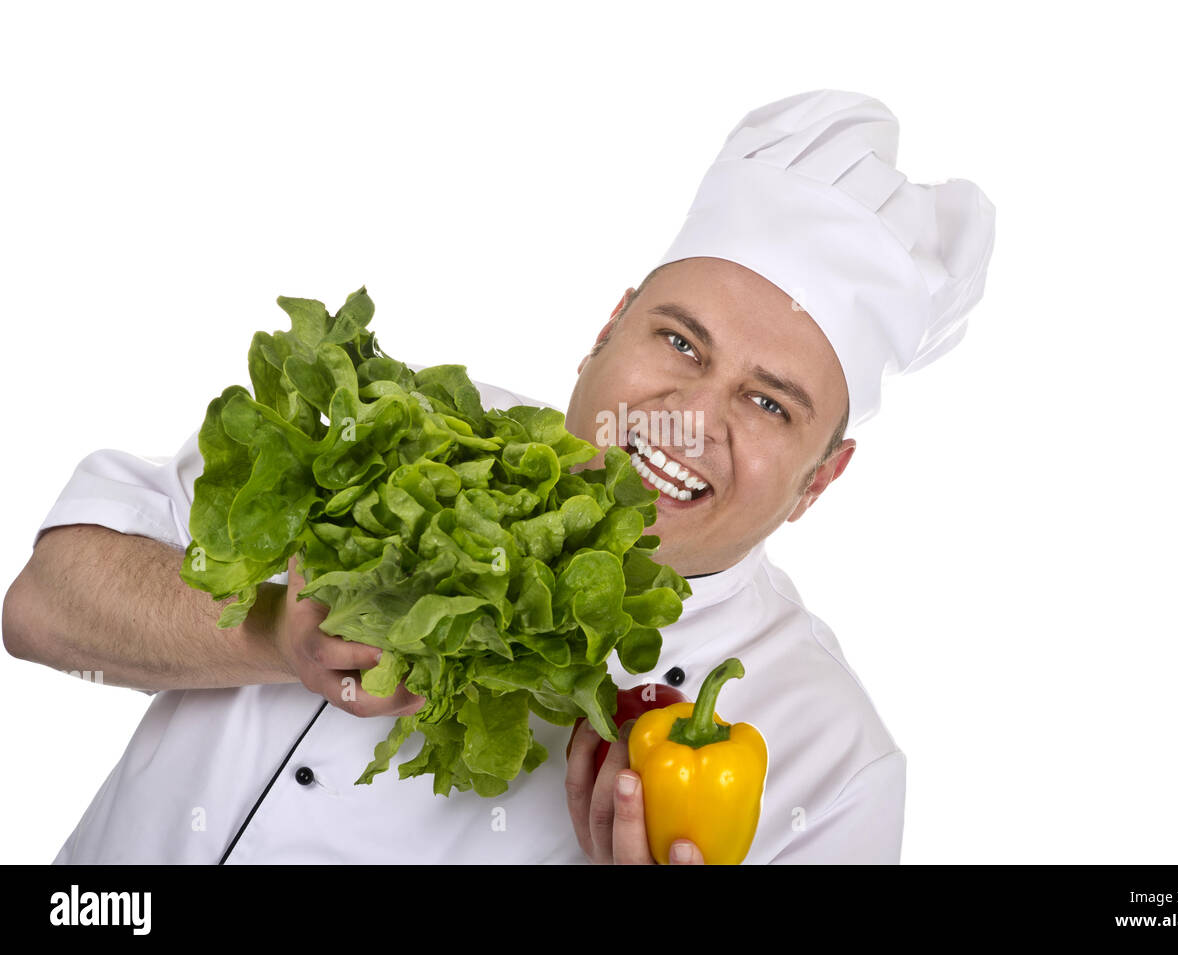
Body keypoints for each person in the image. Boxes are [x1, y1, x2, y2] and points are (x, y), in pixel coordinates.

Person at [2, 89, 994, 864]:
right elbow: (41, 610)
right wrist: (278, 634)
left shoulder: (833, 758)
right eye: (680, 342)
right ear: (605, 330)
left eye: (770, 402)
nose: (695, 417)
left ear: (822, 479)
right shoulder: (404, 426)